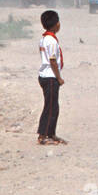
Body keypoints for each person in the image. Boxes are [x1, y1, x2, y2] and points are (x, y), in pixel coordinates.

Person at [37, 9, 65, 146]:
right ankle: (43, 136)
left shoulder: (44, 39)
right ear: (56, 24)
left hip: (45, 75)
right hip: (50, 77)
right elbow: (52, 61)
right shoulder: (51, 41)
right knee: (50, 107)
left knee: (54, 106)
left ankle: (51, 133)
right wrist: (59, 78)